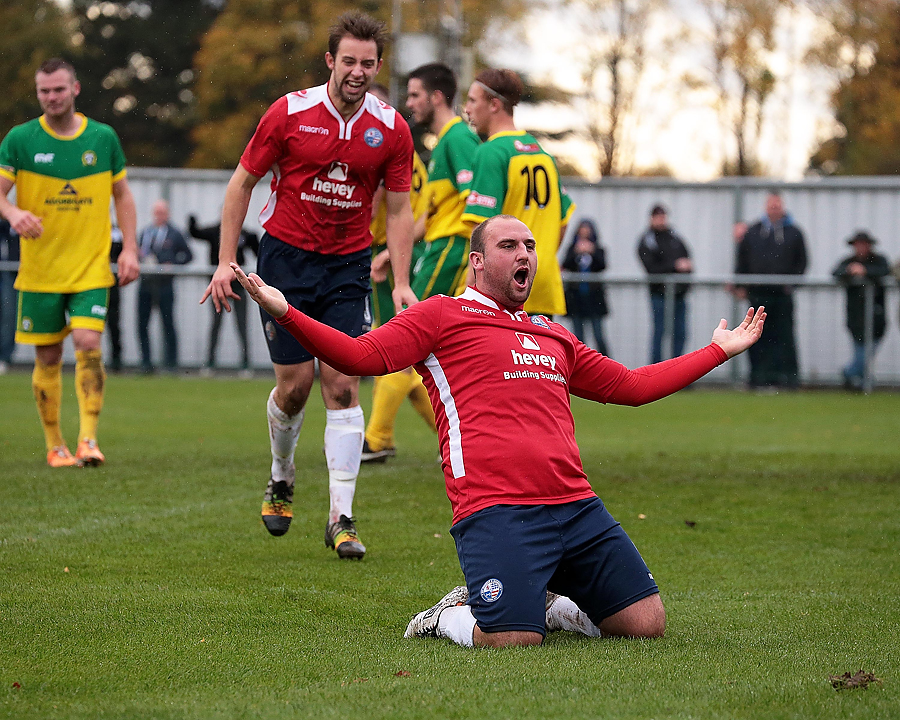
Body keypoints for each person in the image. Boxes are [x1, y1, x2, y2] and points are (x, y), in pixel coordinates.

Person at [229, 214, 766, 648]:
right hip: (496, 507)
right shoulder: (440, 316)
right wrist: (288, 312)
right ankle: (448, 616)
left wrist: (718, 350)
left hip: (576, 506)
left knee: (646, 623)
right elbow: (360, 355)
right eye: (510, 245)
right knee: (510, 638)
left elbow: (632, 385)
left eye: (530, 246)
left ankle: (549, 605)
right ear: (479, 262)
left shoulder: (553, 334)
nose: (526, 255)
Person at [199, 12, 417, 560]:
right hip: (285, 264)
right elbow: (241, 184)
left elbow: (399, 207)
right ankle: (281, 475)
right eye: (349, 61)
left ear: (378, 66)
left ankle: (342, 518)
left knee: (343, 385)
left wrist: (403, 282)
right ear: (330, 60)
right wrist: (227, 261)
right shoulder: (290, 113)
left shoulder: (391, 128)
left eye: (368, 64)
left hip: (347, 268)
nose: (358, 72)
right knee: (294, 389)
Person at [0, 58, 140, 467]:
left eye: (59, 89)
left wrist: (129, 248)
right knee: (47, 358)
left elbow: (124, 196)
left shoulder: (102, 137)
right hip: (41, 270)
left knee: (87, 342)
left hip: (90, 267)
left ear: (75, 89)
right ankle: (55, 446)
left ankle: (88, 440)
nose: (51, 97)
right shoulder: (20, 140)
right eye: (44, 91)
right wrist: (12, 214)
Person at [362, 62, 479, 463]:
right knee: (416, 350)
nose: (407, 103)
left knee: (401, 336)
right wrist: (391, 254)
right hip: (436, 248)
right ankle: (462, 437)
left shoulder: (458, 138)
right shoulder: (440, 144)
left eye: (413, 95)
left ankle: (376, 439)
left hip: (449, 250)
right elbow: (429, 214)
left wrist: (474, 258)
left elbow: (476, 204)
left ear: (435, 97)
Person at [361, 82, 436, 463]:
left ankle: (375, 438)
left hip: (389, 253)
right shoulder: (411, 150)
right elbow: (429, 205)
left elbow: (378, 202)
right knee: (404, 350)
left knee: (394, 346)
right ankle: (449, 432)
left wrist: (382, 249)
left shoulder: (379, 144)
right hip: (410, 248)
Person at [462, 68, 574, 317]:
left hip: (504, 290)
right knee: (537, 356)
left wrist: (469, 294)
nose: (467, 109)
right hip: (540, 281)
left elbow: (482, 231)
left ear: (493, 104)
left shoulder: (491, 152)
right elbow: (563, 222)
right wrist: (534, 259)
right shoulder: (542, 154)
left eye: (472, 100)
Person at [735, 192, 807, 389]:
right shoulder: (753, 231)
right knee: (756, 337)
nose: (774, 208)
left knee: (784, 337)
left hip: (783, 295)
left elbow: (802, 262)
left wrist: (791, 284)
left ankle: (787, 380)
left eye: (778, 205)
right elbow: (742, 260)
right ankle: (758, 378)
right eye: (771, 205)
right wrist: (741, 285)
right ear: (765, 207)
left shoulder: (794, 232)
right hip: (758, 294)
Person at [188, 213, 259, 373]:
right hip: (219, 285)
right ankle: (210, 363)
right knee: (215, 324)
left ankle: (246, 364)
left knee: (242, 324)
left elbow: (257, 251)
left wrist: (255, 240)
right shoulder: (215, 231)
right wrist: (191, 223)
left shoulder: (244, 233)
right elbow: (196, 233)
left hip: (239, 285)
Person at [136, 199, 192, 373]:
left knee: (168, 323)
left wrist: (172, 264)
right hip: (146, 282)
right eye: (156, 212)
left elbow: (188, 255)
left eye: (162, 213)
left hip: (165, 284)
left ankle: (171, 363)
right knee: (142, 324)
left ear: (167, 214)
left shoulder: (175, 234)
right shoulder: (145, 232)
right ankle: (146, 363)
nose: (159, 216)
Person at [831, 231, 890, 390]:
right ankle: (861, 382)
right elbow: (835, 272)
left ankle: (850, 375)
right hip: (856, 316)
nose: (861, 247)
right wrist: (851, 271)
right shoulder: (848, 262)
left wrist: (865, 271)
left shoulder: (879, 261)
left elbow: (885, 271)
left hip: (876, 315)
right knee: (860, 351)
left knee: (866, 353)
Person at [637, 205, 693, 363]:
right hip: (659, 294)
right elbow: (652, 268)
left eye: (663, 216)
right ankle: (656, 370)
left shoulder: (674, 236)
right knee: (660, 332)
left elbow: (687, 259)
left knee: (680, 333)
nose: (662, 220)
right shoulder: (648, 240)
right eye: (658, 217)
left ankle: (679, 371)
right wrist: (674, 266)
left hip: (679, 293)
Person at [562, 219, 609, 355]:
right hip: (576, 298)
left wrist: (592, 252)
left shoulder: (598, 249)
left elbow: (602, 265)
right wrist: (576, 252)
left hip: (594, 299)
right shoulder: (572, 249)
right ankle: (579, 367)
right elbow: (566, 264)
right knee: (578, 338)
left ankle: (607, 365)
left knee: (599, 336)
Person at [0, 220, 19, 373]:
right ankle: (4, 357)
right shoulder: (10, 220)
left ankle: (6, 356)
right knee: (8, 314)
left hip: (37, 271)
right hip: (11, 270)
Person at [106, 222, 123, 372]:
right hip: (94, 283)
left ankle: (116, 359)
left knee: (114, 324)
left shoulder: (118, 233)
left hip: (112, 285)